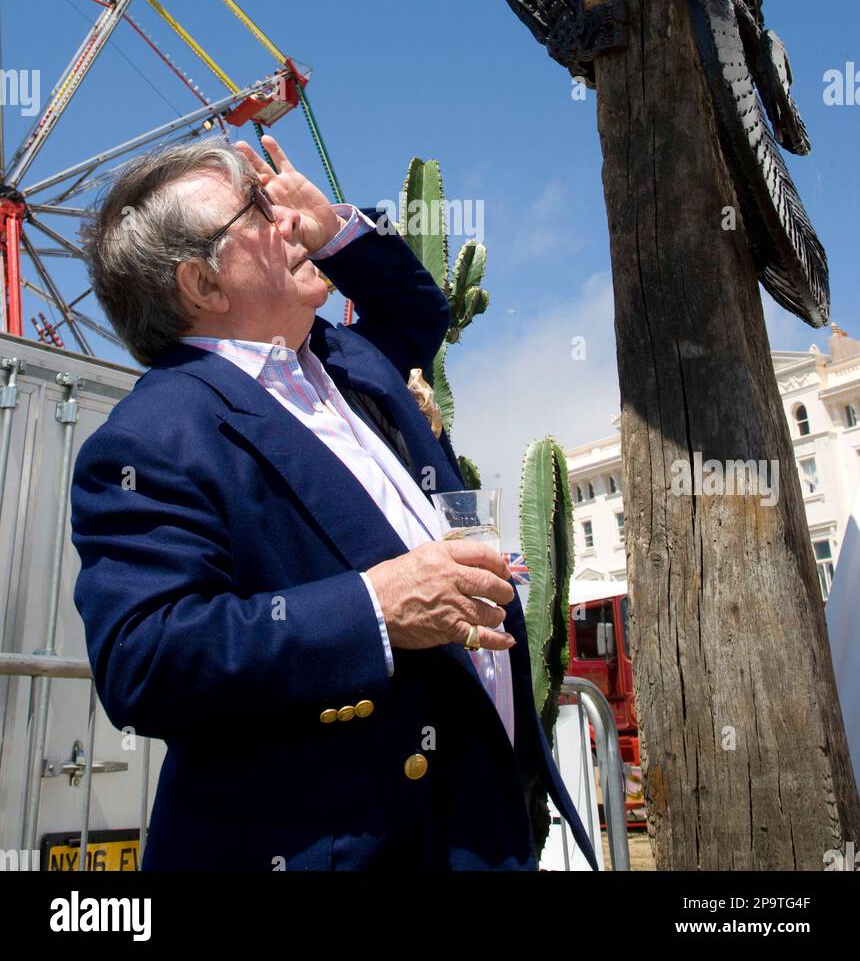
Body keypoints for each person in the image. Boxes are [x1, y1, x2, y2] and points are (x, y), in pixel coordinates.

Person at [70, 132, 598, 872]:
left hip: (473, 819)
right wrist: (376, 610)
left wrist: (339, 227)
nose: (284, 218)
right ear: (202, 285)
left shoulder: (341, 357)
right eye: (256, 212)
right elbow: (145, 660)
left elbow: (419, 310)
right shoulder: (153, 436)